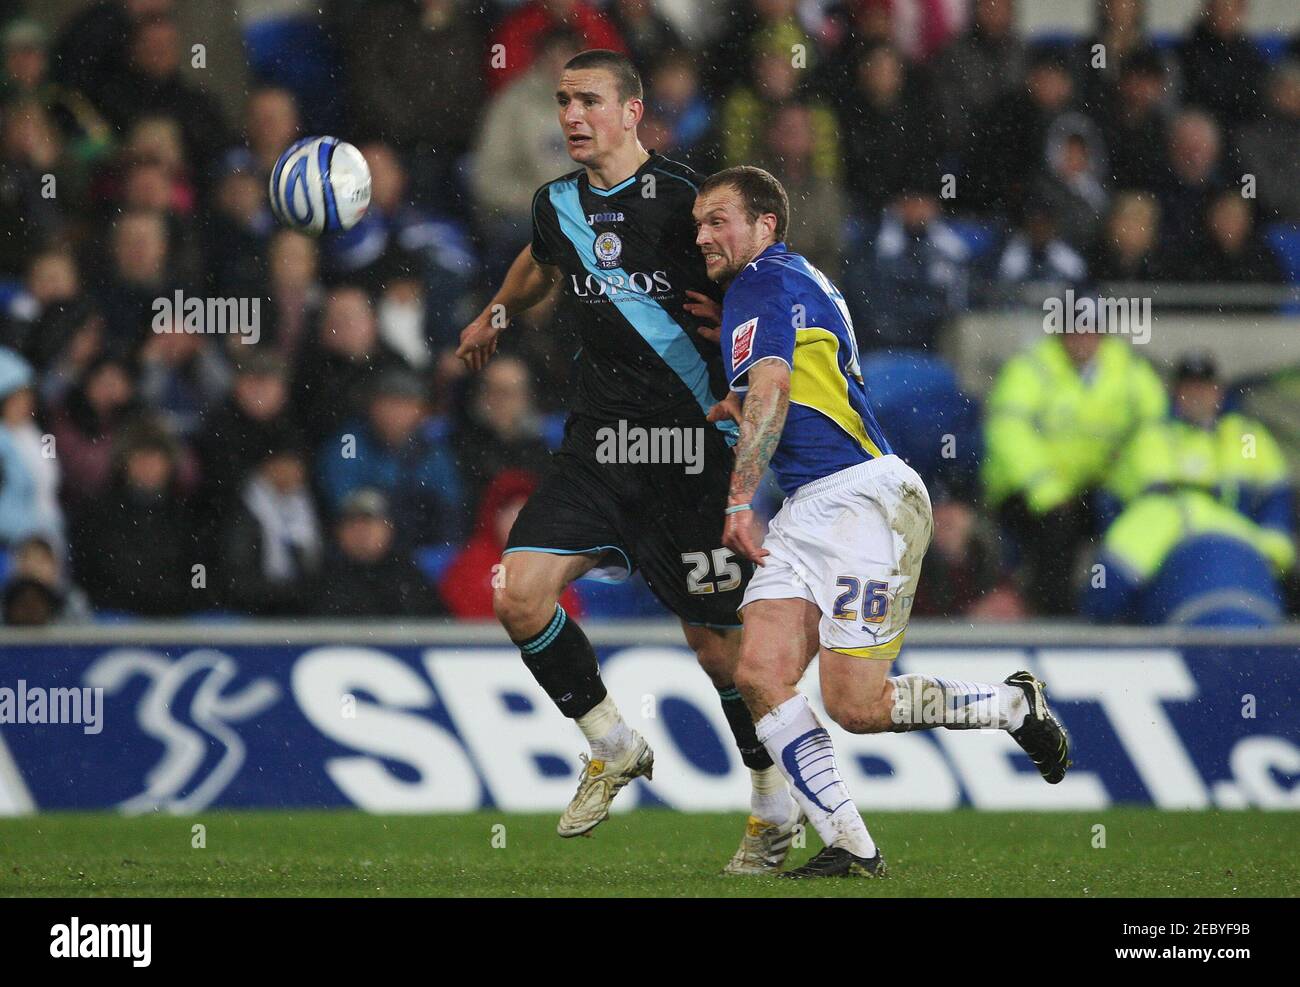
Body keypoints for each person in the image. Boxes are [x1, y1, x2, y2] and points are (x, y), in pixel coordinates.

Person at [455, 49, 796, 873]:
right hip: (599, 449)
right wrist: (495, 314)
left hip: (692, 454)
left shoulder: (685, 202)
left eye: (589, 101)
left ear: (632, 112)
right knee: (518, 593)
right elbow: (541, 262)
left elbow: (755, 272)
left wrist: (741, 342)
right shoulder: (556, 204)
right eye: (564, 101)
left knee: (720, 653)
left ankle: (772, 797)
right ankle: (612, 744)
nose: (572, 116)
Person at [694, 166, 1071, 878]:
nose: (704, 236)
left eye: (719, 220)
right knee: (760, 669)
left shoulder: (759, 283)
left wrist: (740, 498)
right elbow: (801, 388)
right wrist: (744, 406)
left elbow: (775, 386)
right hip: (813, 504)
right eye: (698, 224)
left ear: (766, 224)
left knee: (856, 704)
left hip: (865, 499)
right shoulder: (789, 280)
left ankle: (1010, 705)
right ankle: (852, 845)